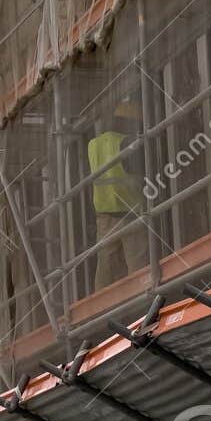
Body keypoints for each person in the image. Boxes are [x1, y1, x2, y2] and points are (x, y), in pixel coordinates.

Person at [88, 101, 147, 288]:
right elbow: (140, 170)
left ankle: (101, 307)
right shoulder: (126, 142)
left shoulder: (93, 144)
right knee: (138, 265)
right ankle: (142, 305)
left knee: (106, 268)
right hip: (129, 212)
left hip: (104, 216)